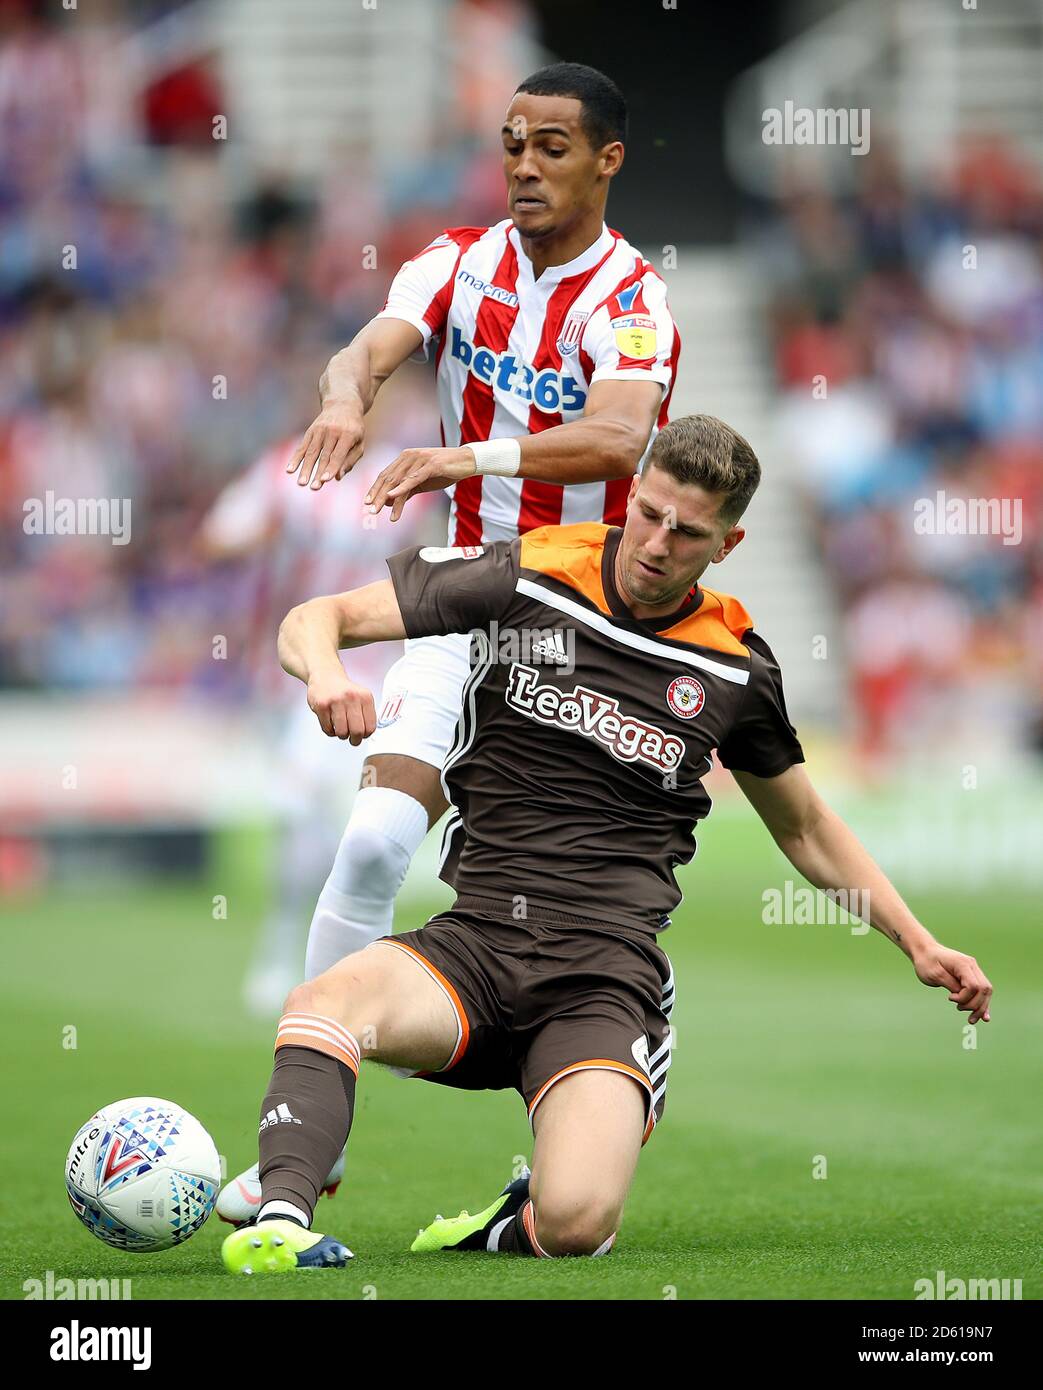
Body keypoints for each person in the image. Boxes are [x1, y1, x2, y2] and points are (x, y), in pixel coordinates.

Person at [219, 415, 992, 1272]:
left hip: (600, 977)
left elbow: (806, 826)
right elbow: (315, 617)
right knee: (324, 1002)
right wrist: (325, 674)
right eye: (650, 513)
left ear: (727, 543)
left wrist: (917, 943)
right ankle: (284, 1214)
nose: (657, 543)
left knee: (577, 1228)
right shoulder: (530, 575)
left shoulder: (735, 668)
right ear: (632, 496)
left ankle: (515, 1219)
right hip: (474, 948)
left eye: (688, 531)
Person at [217, 60, 682, 1221]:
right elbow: (368, 346)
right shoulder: (453, 258)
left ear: (606, 160)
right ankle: (307, 1155)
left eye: (553, 147)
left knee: (572, 897)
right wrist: (345, 394)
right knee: (373, 839)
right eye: (512, 142)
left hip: (585, 624)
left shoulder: (630, 301)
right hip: (463, 594)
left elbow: (622, 439)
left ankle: (626, 1044)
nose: (524, 165)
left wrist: (464, 458)